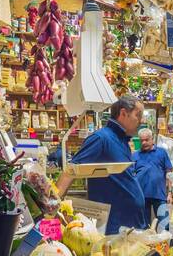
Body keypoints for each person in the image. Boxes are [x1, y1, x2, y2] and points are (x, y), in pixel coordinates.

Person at [56, 96, 146, 234]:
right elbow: (71, 170)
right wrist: (52, 205)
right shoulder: (101, 138)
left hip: (129, 225)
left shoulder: (122, 141)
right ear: (123, 113)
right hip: (114, 228)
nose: (141, 120)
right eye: (138, 115)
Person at [131, 126, 173, 230]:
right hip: (141, 196)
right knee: (143, 227)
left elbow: (169, 173)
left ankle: (164, 246)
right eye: (142, 140)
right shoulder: (135, 155)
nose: (144, 143)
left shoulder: (161, 152)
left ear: (152, 139)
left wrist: (170, 193)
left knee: (165, 225)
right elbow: (131, 176)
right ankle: (146, 246)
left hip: (160, 195)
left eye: (146, 140)